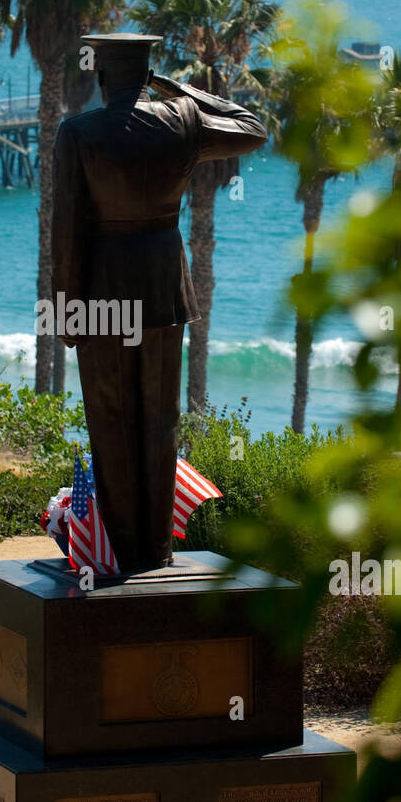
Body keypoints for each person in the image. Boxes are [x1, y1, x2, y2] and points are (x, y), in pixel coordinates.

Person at [52, 32, 268, 574]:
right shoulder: (182, 121)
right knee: (159, 421)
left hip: (103, 294)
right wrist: (181, 90)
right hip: (165, 290)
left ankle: (124, 554)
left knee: (111, 422)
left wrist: (65, 307)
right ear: (147, 75)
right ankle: (157, 553)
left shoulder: (78, 133)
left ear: (100, 76)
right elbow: (251, 128)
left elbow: (66, 231)